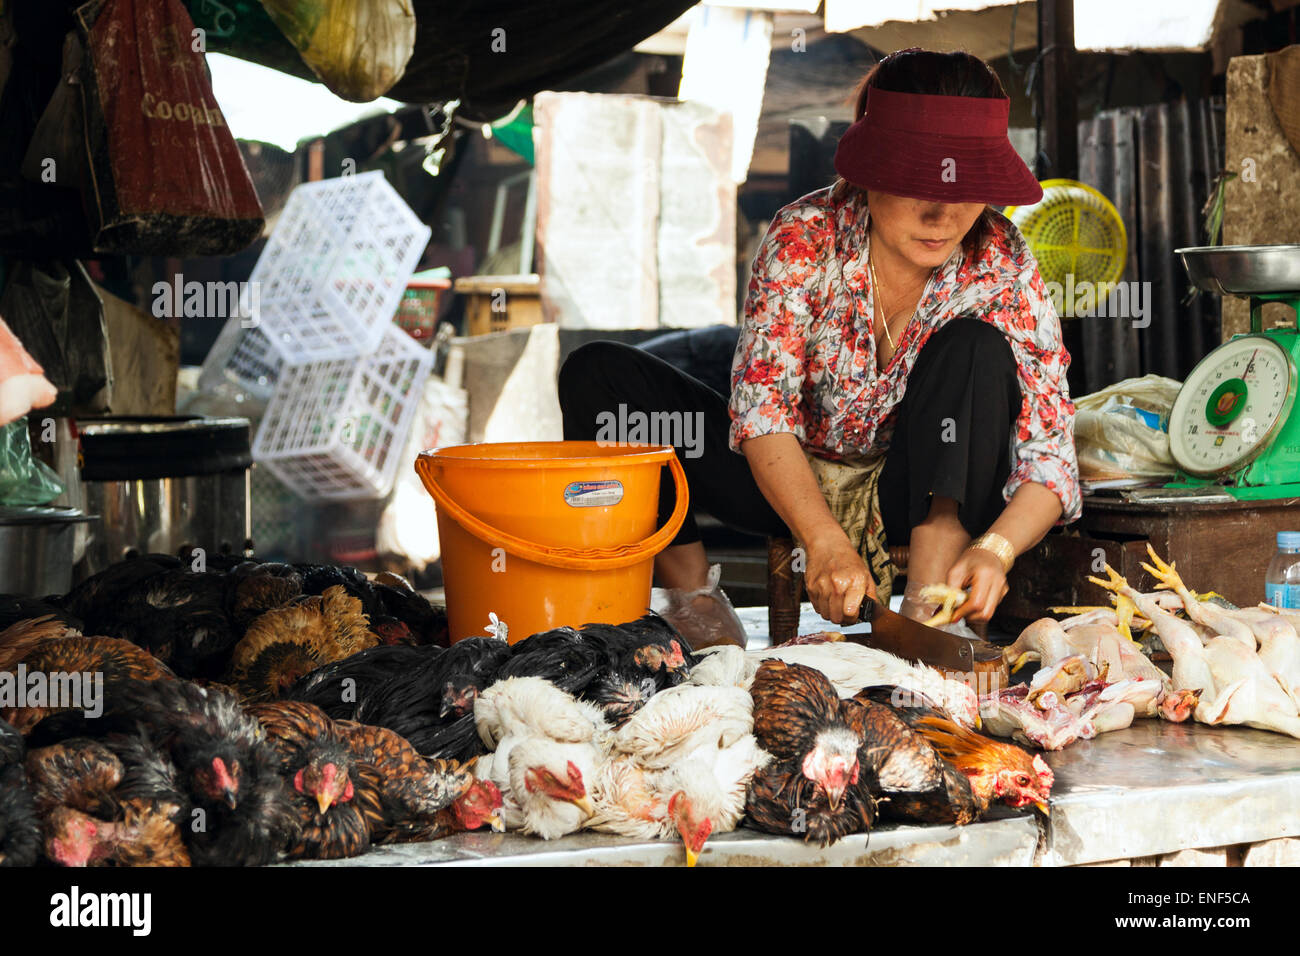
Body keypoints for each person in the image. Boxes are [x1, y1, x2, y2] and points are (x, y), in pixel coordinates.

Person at [558, 48, 1080, 639]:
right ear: (869, 171)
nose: (941, 214)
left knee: (976, 348)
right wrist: (824, 542)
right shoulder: (804, 236)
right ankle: (693, 598)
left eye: (964, 188)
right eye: (916, 184)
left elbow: (1051, 453)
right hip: (783, 477)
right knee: (597, 374)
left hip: (907, 491)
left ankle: (925, 616)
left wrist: (997, 549)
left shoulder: (1002, 259)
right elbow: (763, 410)